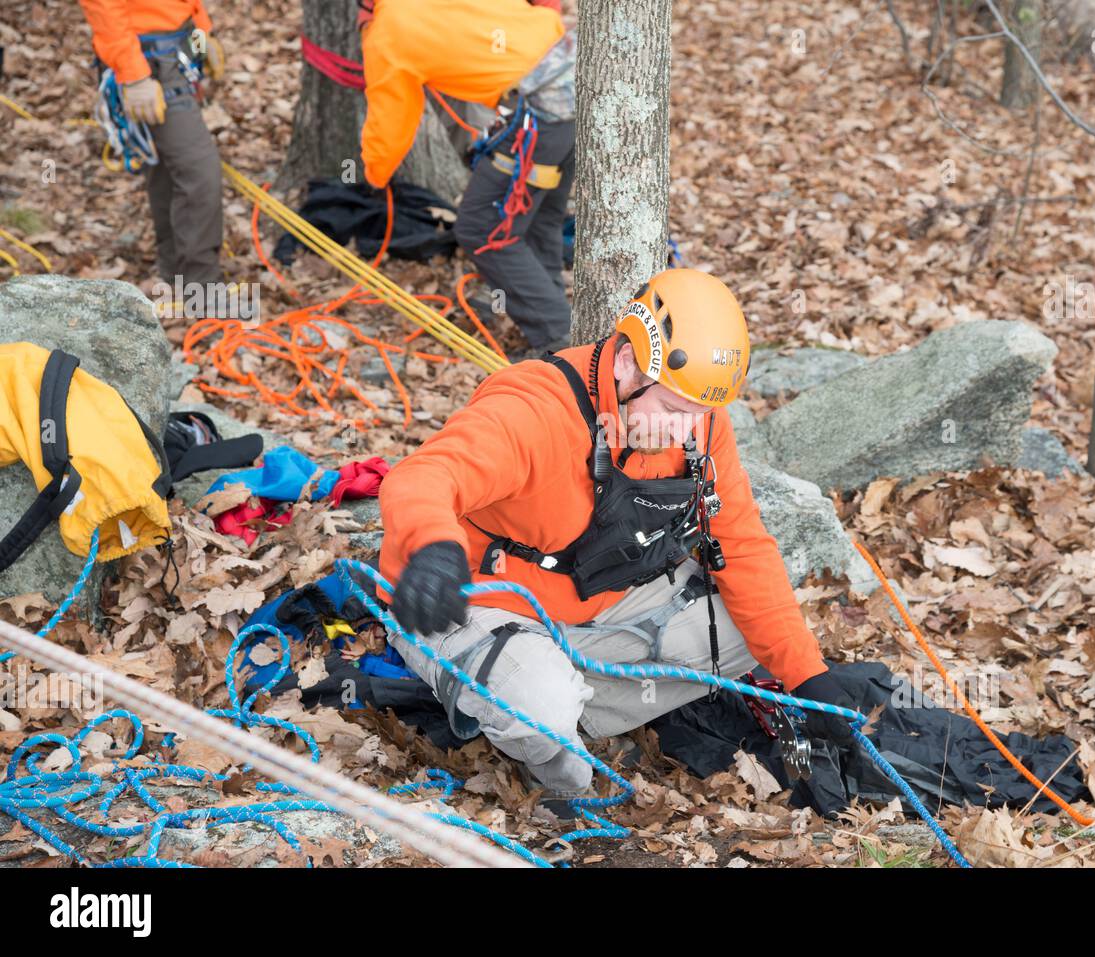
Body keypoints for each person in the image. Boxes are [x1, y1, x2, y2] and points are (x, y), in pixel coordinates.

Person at [377, 268, 856, 812]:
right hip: (474, 592)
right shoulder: (536, 407)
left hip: (602, 598)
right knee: (544, 714)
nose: (685, 432)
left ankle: (546, 693)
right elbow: (424, 475)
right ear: (627, 363)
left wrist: (807, 675)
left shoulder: (698, 424)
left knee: (752, 636)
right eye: (675, 410)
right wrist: (433, 547)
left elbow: (742, 544)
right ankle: (552, 745)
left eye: (701, 415)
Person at [358, 0, 575, 358]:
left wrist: (374, 175)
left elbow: (392, 120)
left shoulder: (386, 33)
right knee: (539, 221)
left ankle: (558, 341)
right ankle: (561, 326)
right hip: (574, 75)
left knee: (483, 229)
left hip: (539, 111)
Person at [77, 0, 226, 294]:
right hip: (147, 61)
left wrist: (200, 31)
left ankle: (176, 276)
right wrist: (134, 75)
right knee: (200, 173)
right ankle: (204, 290)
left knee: (169, 172)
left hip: (174, 50)